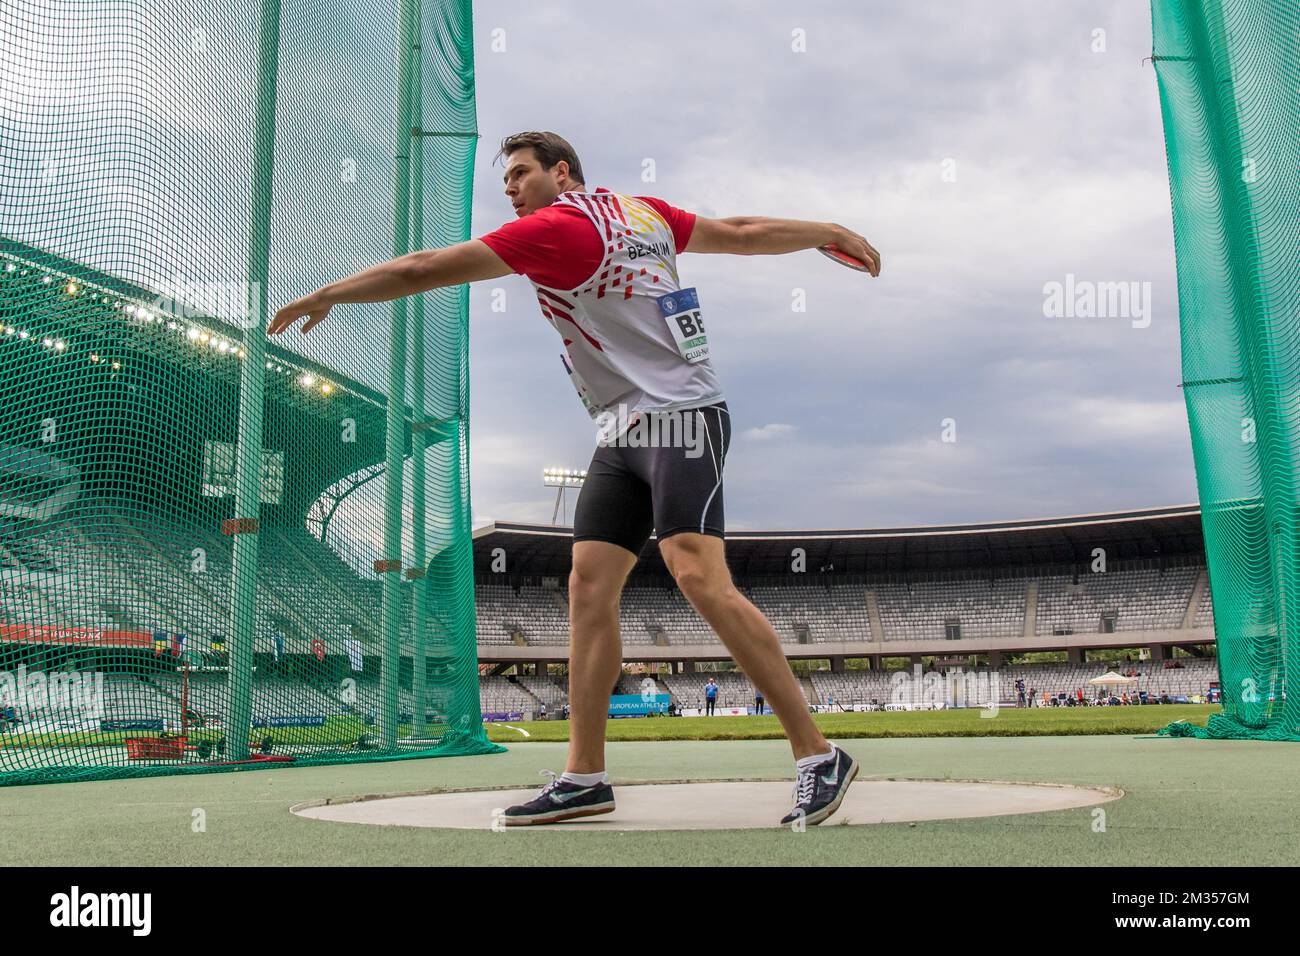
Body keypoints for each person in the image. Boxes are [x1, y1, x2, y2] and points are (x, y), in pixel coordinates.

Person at [270, 131, 879, 828]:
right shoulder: (643, 212)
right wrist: (826, 230)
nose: (510, 188)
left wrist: (329, 294)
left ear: (563, 175)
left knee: (696, 572)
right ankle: (584, 776)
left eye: (521, 174)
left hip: (681, 418)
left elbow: (421, 268)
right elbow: (739, 231)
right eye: (507, 179)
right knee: (588, 584)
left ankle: (817, 754)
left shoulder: (556, 227)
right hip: (622, 431)